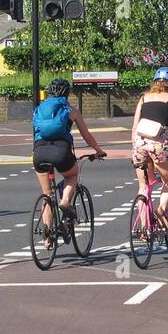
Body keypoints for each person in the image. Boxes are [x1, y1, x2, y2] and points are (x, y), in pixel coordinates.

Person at [33, 78, 107, 226]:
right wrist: (98, 150)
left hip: (39, 151)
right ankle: (65, 201)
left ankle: (48, 236)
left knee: (47, 194)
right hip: (61, 152)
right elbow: (87, 136)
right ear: (67, 93)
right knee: (72, 174)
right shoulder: (71, 110)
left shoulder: (39, 110)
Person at [132, 67, 168, 229]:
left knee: (144, 186)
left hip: (140, 143)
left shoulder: (143, 98)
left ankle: (145, 229)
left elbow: (135, 126)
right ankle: (161, 209)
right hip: (159, 145)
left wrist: (135, 148)